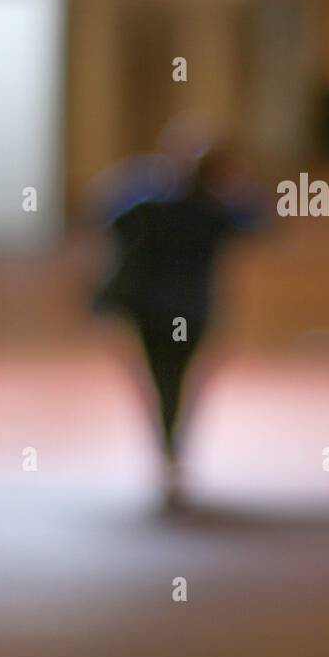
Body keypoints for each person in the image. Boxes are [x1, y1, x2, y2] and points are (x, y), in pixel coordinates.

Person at [94, 145, 263, 506]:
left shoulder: (149, 205)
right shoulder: (214, 212)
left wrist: (140, 178)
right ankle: (172, 446)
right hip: (190, 310)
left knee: (163, 379)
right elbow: (258, 221)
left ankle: (169, 446)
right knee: (178, 379)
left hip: (149, 309)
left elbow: (107, 218)